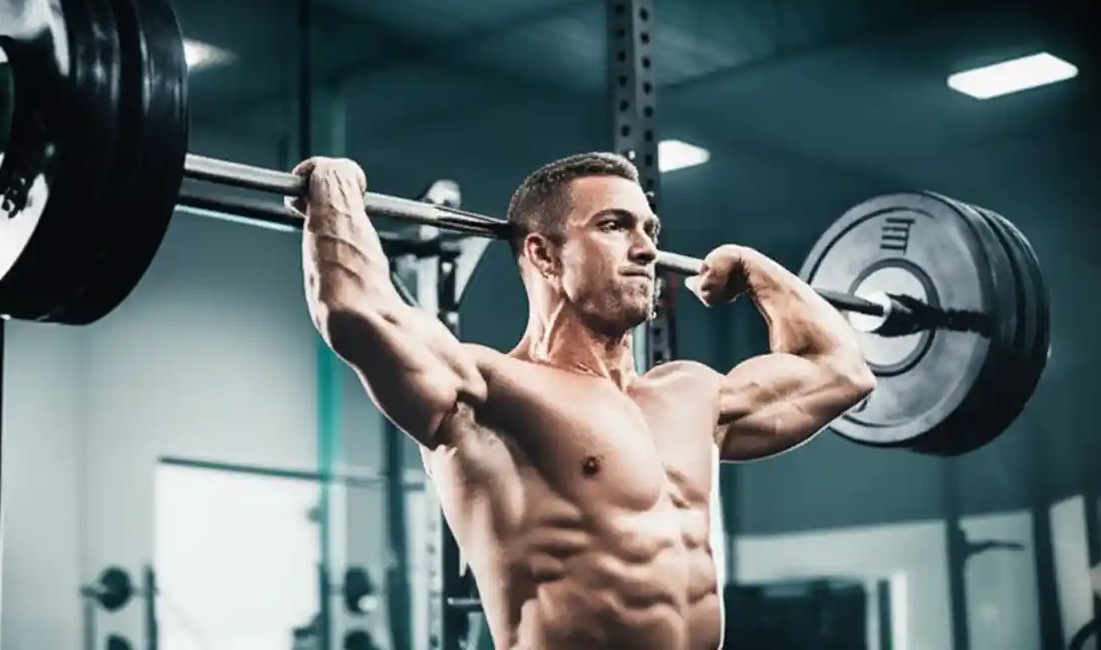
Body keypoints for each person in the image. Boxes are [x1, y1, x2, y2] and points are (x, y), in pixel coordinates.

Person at [290, 152, 876, 650]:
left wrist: (757, 270)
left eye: (652, 230)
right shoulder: (489, 392)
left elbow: (840, 371)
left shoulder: (693, 395)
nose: (646, 249)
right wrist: (335, 193)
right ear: (544, 255)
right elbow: (357, 311)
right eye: (616, 225)